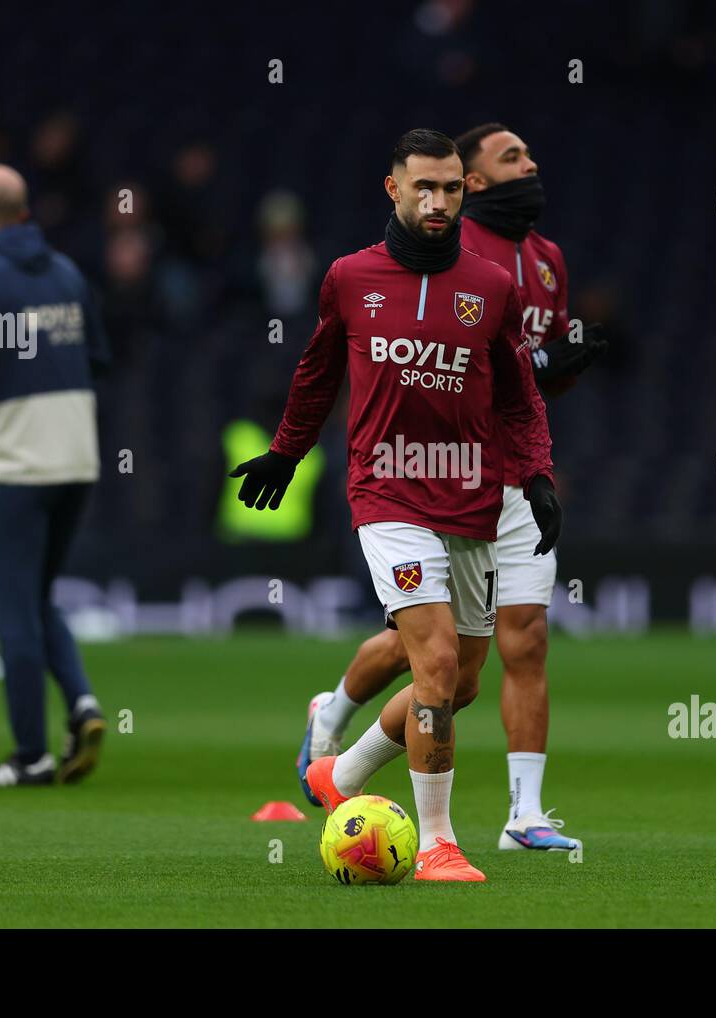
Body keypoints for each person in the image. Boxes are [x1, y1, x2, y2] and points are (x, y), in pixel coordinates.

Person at [230, 129, 560, 881]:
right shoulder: (350, 277)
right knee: (435, 659)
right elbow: (317, 374)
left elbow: (519, 395)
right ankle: (440, 842)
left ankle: (341, 773)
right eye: (425, 187)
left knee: (461, 681)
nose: (439, 201)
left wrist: (537, 474)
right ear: (395, 189)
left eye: (451, 188)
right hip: (387, 490)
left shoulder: (492, 287)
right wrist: (286, 452)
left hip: (472, 495)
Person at [299, 124, 605, 851]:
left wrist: (560, 369)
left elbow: (523, 387)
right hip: (436, 480)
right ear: (475, 179)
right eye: (512, 157)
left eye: (531, 154)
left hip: (512, 483)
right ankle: (339, 720)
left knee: (514, 645)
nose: (531, 165)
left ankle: (523, 814)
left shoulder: (547, 262)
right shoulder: (452, 254)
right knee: (422, 656)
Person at [0, 164, 110, 787]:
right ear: (24, 211)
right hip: (77, 456)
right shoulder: (66, 272)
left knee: (12, 604)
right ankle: (83, 704)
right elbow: (98, 356)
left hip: (16, 460)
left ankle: (30, 755)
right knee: (36, 594)